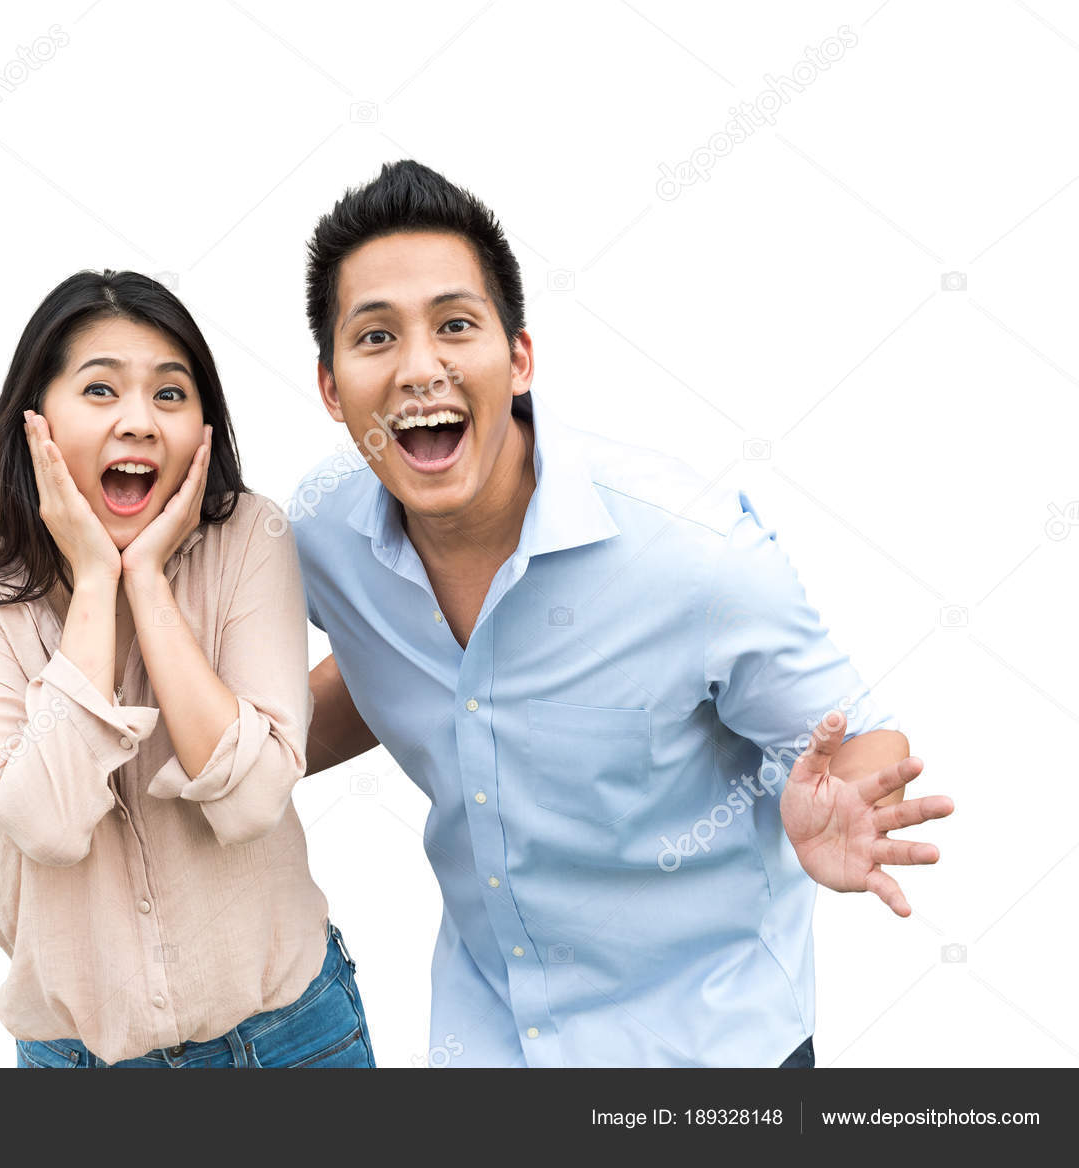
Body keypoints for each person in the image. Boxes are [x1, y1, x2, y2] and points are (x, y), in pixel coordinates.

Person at [292, 160, 954, 1067]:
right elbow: (389, 673)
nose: (419, 368)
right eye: (375, 337)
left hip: (708, 1053)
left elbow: (858, 734)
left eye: (455, 326)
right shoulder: (325, 529)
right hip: (485, 1045)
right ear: (332, 387)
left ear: (519, 358)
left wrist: (835, 813)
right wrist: (218, 758)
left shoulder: (689, 552)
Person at [0, 270, 373, 1068]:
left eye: (170, 394)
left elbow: (253, 798)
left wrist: (149, 583)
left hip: (295, 1041)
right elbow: (50, 825)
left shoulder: (251, 539)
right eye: (100, 390)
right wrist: (95, 582)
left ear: (203, 427)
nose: (139, 422)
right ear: (37, 418)